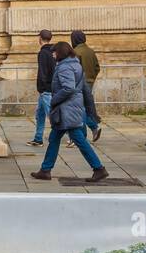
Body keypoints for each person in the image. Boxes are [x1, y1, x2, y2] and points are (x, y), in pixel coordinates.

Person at [31, 41, 108, 182]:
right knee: (54, 138)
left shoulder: (64, 68)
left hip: (66, 109)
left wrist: (54, 100)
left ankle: (98, 168)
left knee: (79, 140)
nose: (53, 55)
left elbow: (68, 88)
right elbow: (82, 88)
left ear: (60, 53)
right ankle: (45, 170)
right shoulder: (75, 64)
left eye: (54, 52)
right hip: (71, 108)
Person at [70, 30, 102, 143]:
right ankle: (93, 128)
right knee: (84, 107)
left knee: (80, 109)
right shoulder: (91, 51)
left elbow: (74, 70)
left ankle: (82, 134)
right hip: (90, 82)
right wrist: (92, 77)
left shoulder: (75, 52)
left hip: (79, 83)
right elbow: (97, 67)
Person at [28, 29, 55, 146]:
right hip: (49, 87)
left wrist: (42, 87)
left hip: (46, 89)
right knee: (40, 114)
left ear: (40, 38)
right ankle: (38, 138)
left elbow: (43, 72)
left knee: (53, 115)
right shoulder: (53, 51)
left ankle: (73, 136)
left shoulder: (43, 53)